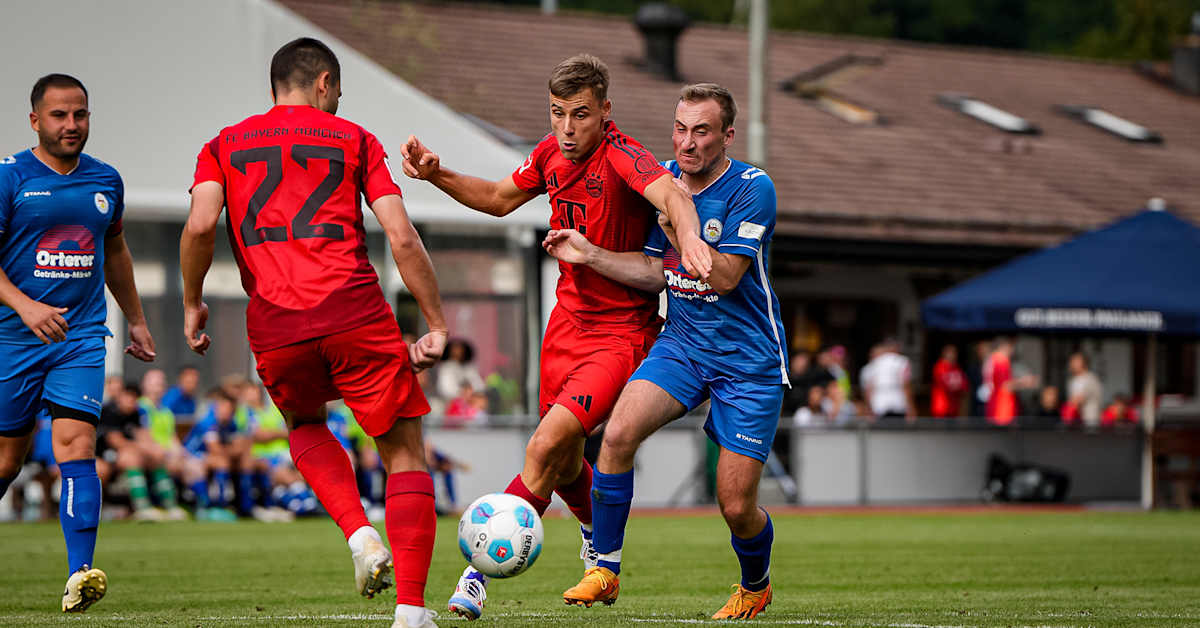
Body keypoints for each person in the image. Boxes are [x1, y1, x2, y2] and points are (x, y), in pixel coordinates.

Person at [400, 54, 710, 620]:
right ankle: (595, 533)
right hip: (565, 325)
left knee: (544, 446)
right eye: (558, 114)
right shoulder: (549, 152)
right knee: (563, 462)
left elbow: (673, 197)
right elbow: (498, 200)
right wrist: (436, 174)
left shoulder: (623, 156)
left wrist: (688, 241)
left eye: (581, 116)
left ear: (605, 112)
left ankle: (476, 575)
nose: (567, 129)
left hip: (621, 333)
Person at [180, 38, 447, 628]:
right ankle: (410, 610)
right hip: (353, 310)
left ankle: (358, 535)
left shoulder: (221, 145)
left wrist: (193, 301)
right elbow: (401, 237)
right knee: (404, 454)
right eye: (339, 90)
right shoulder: (354, 138)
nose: (339, 99)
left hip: (275, 321)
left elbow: (200, 224)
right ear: (324, 82)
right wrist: (435, 322)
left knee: (304, 425)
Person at [548, 83, 786, 619]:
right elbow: (655, 273)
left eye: (701, 131)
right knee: (618, 434)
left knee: (734, 504)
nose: (687, 143)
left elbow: (723, 277)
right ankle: (604, 569)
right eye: (680, 129)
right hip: (682, 344)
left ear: (727, 135)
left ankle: (756, 583)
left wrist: (678, 231)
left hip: (748, 361)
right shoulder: (662, 180)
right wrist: (590, 254)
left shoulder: (753, 187)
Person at [0, 74, 156, 612]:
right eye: (60, 115)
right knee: (5, 463)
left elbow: (115, 253)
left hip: (81, 335)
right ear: (35, 119)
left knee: (77, 447)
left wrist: (135, 320)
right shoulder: (10, 177)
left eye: (80, 115)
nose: (72, 125)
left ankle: (80, 574)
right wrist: (24, 305)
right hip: (12, 337)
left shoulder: (106, 180)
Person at [97, 381, 186, 521]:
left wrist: (154, 450)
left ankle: (170, 507)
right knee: (132, 459)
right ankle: (142, 508)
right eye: (128, 396)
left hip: (127, 454)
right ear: (121, 396)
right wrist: (144, 448)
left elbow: (144, 436)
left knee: (156, 457)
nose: (131, 401)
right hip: (104, 456)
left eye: (134, 398)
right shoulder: (109, 411)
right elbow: (117, 442)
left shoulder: (137, 414)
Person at [860, 339, 915, 421]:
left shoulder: (871, 365)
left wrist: (868, 408)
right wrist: (911, 408)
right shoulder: (902, 361)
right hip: (898, 403)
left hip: (878, 405)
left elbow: (868, 389)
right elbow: (905, 384)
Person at [1065, 352, 1103, 428]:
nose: (1072, 364)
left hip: (1090, 420)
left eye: (1075, 361)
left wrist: (1071, 404)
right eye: (1072, 361)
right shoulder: (1072, 381)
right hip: (1076, 421)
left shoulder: (1091, 379)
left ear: (1084, 363)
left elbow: (1079, 399)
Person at [930, 344, 967, 418]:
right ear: (944, 354)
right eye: (950, 353)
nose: (952, 355)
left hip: (954, 406)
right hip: (941, 406)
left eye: (954, 353)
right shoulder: (940, 367)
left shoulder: (957, 368)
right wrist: (956, 387)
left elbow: (964, 385)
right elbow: (944, 384)